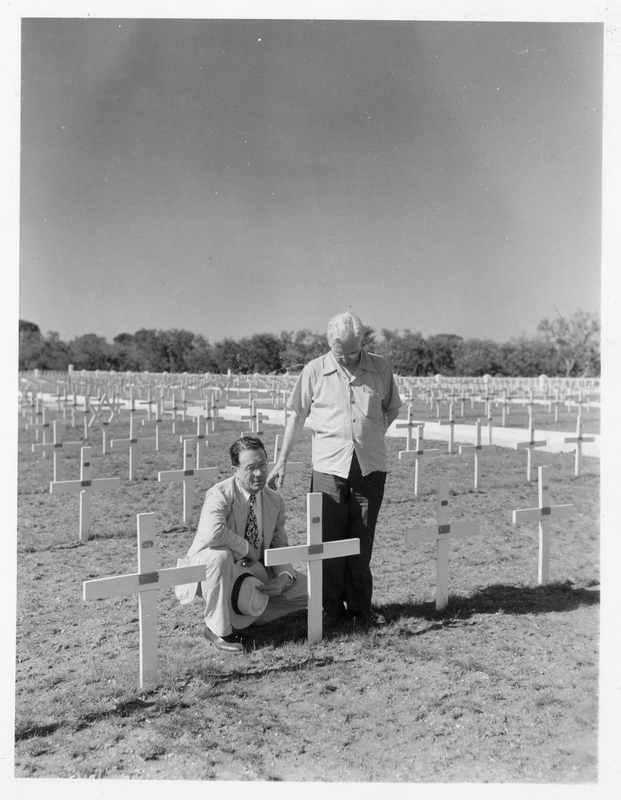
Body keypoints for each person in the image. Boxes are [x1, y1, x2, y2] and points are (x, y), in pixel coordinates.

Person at [267, 312, 402, 627]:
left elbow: (392, 407)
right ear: (329, 345)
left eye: (352, 352)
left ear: (362, 342)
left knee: (361, 540)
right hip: (329, 468)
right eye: (339, 353)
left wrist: (370, 435)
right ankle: (330, 609)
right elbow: (296, 416)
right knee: (327, 541)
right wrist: (282, 459)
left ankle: (359, 608)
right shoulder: (315, 371)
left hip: (370, 468)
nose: (345, 358)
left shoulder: (380, 367)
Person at [176, 436, 307, 653]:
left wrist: (284, 576)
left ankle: (249, 610)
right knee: (220, 556)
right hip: (212, 570)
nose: (259, 474)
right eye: (251, 468)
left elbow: (278, 544)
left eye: (263, 465)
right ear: (234, 469)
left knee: (310, 591)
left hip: (252, 574)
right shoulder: (219, 494)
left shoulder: (275, 501)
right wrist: (247, 548)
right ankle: (218, 629)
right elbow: (212, 534)